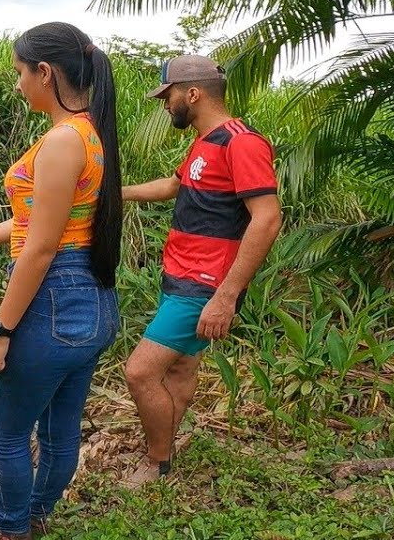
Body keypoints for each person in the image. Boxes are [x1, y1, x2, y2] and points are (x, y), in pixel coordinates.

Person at [0, 22, 122, 540]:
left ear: (45, 72)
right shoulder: (90, 134)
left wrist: (0, 330)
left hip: (53, 294)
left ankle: (11, 534)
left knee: (6, 432)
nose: (18, 84)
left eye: (20, 72)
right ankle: (35, 517)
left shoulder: (62, 141)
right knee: (61, 431)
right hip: (91, 297)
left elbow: (40, 249)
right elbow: (43, 222)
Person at [120, 54, 283, 487]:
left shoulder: (242, 143)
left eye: (168, 96)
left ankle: (156, 462)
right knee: (179, 369)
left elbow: (267, 218)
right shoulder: (206, 140)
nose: (164, 105)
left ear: (192, 94)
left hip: (205, 283)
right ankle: (166, 449)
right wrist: (114, 193)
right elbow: (175, 186)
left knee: (140, 371)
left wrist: (225, 296)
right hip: (180, 274)